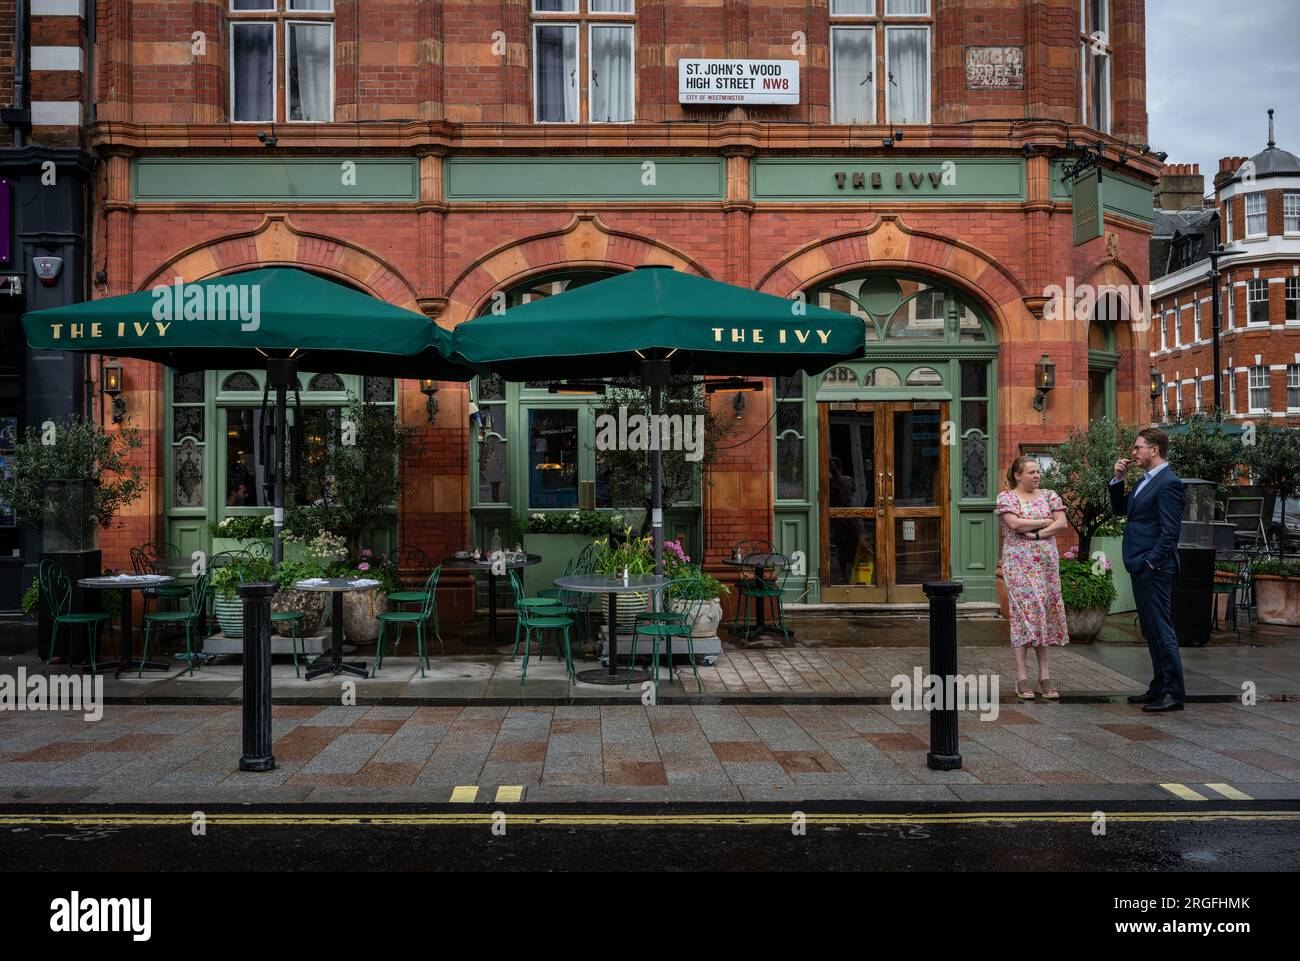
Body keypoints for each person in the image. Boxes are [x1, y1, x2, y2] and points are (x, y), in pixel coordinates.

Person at [1110, 427, 1186, 712]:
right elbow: (1123, 511)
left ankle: (1174, 692)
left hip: (1154, 568)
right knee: (1150, 630)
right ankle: (1159, 686)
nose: (1134, 452)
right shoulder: (1145, 480)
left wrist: (1151, 562)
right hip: (1141, 565)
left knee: (1162, 629)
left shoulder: (1169, 482)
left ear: (1154, 450)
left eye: (1138, 447)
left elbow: (1170, 532)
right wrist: (1118, 480)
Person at [995, 456, 1070, 700]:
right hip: (1018, 565)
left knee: (1043, 613)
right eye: (1031, 472)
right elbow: (1015, 524)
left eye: (1038, 471)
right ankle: (1021, 676)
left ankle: (1044, 675)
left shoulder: (1050, 495)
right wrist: (1045, 521)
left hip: (1045, 564)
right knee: (1023, 614)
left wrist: (1038, 534)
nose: (1037, 476)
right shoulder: (1007, 497)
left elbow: (1062, 524)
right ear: (1017, 475)